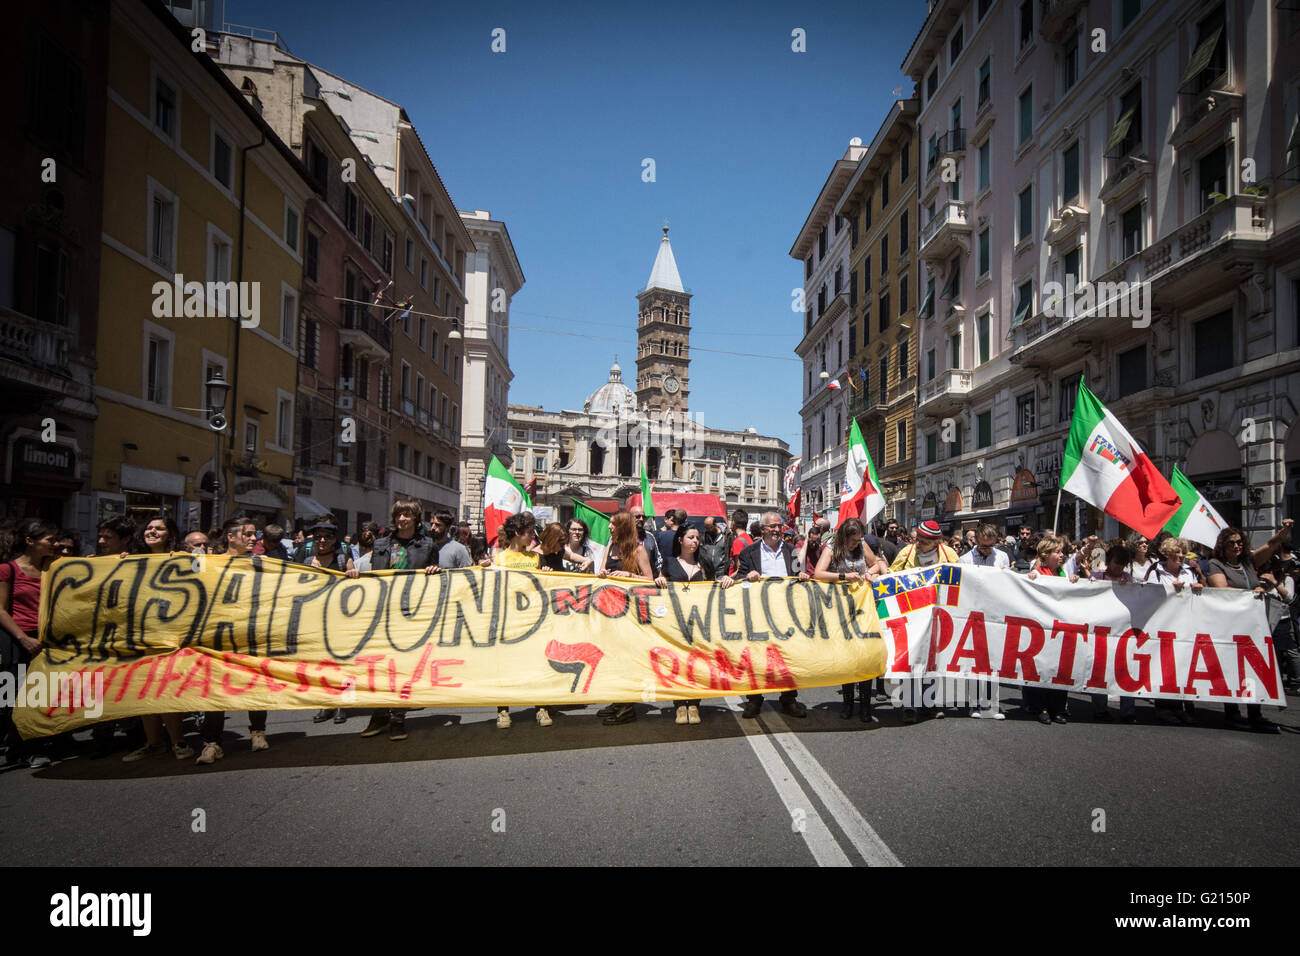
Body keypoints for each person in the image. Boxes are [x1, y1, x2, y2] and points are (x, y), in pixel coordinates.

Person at [117, 514, 198, 761]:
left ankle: (178, 742)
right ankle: (153, 743)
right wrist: (111, 564)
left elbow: (203, 575)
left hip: (170, 634)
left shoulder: (184, 559)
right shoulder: (132, 560)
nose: (152, 532)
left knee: (166, 688)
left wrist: (189, 561)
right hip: (140, 634)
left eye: (159, 529)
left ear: (169, 534)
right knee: (144, 689)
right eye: (149, 527)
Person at [359, 499, 438, 741]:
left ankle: (398, 719)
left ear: (415, 518)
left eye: (407, 515)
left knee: (403, 668)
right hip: (383, 613)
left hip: (411, 614)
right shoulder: (382, 544)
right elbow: (374, 577)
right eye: (398, 515)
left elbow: (439, 581)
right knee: (382, 667)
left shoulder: (428, 545)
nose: (402, 519)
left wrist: (435, 571)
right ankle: (380, 714)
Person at [196, 516, 272, 763]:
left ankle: (258, 732)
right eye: (247, 534)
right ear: (231, 537)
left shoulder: (261, 563)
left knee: (256, 681)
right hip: (217, 635)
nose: (253, 539)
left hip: (251, 633)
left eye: (254, 534)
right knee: (215, 687)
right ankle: (212, 743)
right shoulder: (209, 563)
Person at [807, 518, 886, 722]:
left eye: (858, 540)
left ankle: (866, 707)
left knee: (866, 654)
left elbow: (878, 563)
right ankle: (848, 704)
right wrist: (843, 576)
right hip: (841, 607)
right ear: (844, 538)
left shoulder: (862, 544)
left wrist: (868, 572)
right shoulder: (832, 547)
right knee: (849, 657)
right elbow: (819, 573)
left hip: (864, 606)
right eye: (852, 541)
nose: (855, 544)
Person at [655, 523, 735, 724]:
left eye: (697, 538)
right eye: (691, 537)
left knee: (696, 664)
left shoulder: (705, 562)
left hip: (700, 623)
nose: (695, 541)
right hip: (676, 623)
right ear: (680, 540)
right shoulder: (669, 562)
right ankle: (680, 705)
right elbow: (659, 586)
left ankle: (694, 704)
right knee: (677, 663)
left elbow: (715, 585)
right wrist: (660, 581)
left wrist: (727, 579)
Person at [1206, 527, 1281, 732]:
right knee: (1233, 670)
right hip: (1230, 627)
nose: (1237, 545)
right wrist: (1250, 593)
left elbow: (1271, 545)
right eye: (1232, 543)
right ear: (1223, 545)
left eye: (1239, 542)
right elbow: (1221, 590)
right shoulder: (1216, 564)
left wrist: (1284, 531)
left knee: (1254, 670)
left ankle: (1255, 713)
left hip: (1253, 627)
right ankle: (1232, 713)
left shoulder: (1247, 563)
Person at [0, 519, 59, 768]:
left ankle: (29, 748)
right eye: (49, 540)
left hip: (44, 639)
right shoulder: (8, 569)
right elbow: (1, 610)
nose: (54, 544)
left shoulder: (54, 568)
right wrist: (23, 638)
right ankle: (14, 745)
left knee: (37, 696)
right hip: (16, 639)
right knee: (9, 699)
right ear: (30, 541)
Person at [737, 511, 806, 719]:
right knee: (757, 657)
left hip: (785, 614)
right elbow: (739, 579)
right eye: (773, 526)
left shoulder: (792, 551)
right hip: (758, 614)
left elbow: (798, 576)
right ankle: (754, 700)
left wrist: (802, 576)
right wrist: (747, 577)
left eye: (779, 526)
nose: (777, 530)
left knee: (787, 657)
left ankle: (788, 699)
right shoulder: (749, 553)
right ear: (763, 529)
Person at [492, 513, 554, 728]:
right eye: (529, 534)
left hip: (532, 621)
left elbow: (546, 588)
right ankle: (503, 711)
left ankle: (541, 707)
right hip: (506, 621)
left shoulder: (536, 559)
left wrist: (547, 574)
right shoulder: (498, 559)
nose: (532, 539)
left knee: (536, 665)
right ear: (518, 533)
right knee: (505, 667)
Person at [595, 511, 656, 725]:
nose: (610, 528)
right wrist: (602, 574)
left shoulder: (638, 550)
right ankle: (618, 700)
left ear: (622, 527)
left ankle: (627, 706)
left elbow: (650, 580)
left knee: (626, 660)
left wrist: (629, 575)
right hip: (608, 612)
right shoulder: (609, 548)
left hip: (630, 615)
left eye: (613, 524)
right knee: (611, 659)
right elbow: (601, 570)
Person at [1143, 537, 1203, 724]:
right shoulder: (1156, 572)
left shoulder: (1189, 572)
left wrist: (1199, 586)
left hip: (1185, 625)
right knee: (1165, 666)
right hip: (1164, 625)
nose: (1180, 556)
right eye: (1176, 552)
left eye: (1182, 552)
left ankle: (1180, 707)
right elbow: (1148, 595)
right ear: (1167, 554)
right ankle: (1164, 707)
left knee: (1182, 666)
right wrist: (1169, 589)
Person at [1024, 536, 1078, 725]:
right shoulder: (1037, 573)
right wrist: (1030, 579)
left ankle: (1058, 707)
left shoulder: (1065, 573)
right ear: (1046, 555)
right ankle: (1040, 707)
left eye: (1062, 552)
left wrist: (1074, 581)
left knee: (1060, 668)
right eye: (1057, 552)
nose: (1061, 555)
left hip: (1061, 628)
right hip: (1042, 629)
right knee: (1041, 667)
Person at [1087, 544, 1139, 722]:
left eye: (1123, 564)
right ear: (1109, 562)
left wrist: (1127, 586)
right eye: (1117, 563)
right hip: (1101, 629)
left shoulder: (1128, 578)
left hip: (1123, 631)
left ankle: (1128, 711)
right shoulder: (1097, 576)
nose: (1119, 568)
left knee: (1125, 669)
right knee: (1100, 668)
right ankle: (1099, 708)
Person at [889, 520, 959, 571]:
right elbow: (891, 576)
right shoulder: (907, 552)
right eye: (917, 539)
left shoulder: (948, 554)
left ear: (936, 543)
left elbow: (960, 575)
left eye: (924, 542)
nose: (918, 544)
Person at [628, 504, 661, 577]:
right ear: (629, 518)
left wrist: (660, 577)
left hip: (645, 582)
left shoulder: (649, 536)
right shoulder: (621, 536)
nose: (641, 519)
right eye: (637, 517)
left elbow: (658, 561)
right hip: (625, 581)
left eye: (643, 517)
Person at [727, 508, 752, 576]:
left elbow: (740, 570)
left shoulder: (738, 542)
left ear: (733, 522)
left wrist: (728, 578)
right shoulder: (748, 538)